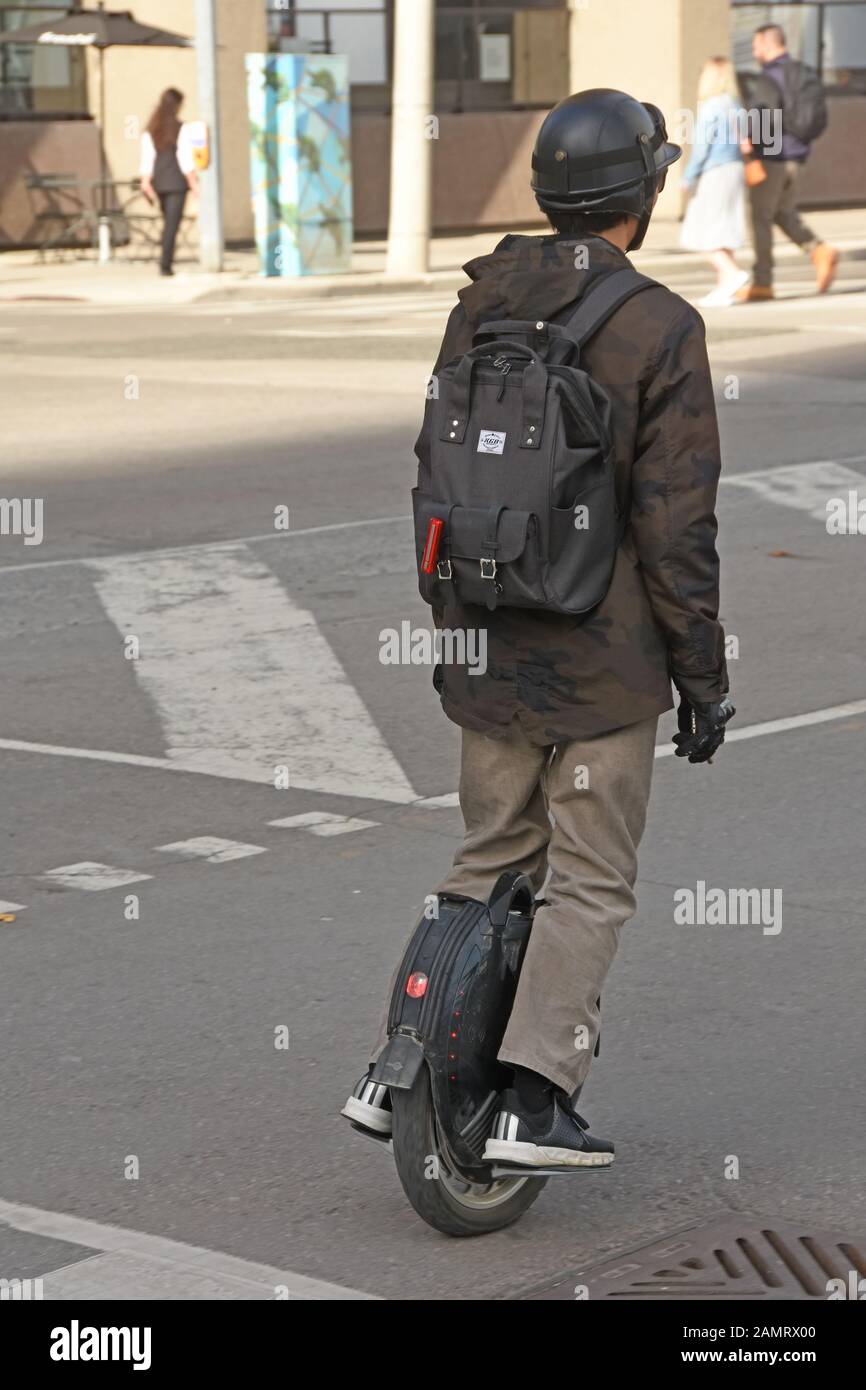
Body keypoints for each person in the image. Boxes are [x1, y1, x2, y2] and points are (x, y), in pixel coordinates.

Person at [343, 89, 735, 1169]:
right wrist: (700, 676)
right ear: (642, 194)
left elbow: (436, 476)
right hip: (601, 663)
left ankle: (398, 1066)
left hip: (485, 636)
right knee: (588, 878)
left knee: (486, 854)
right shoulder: (658, 324)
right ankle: (530, 1097)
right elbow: (675, 528)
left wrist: (448, 620)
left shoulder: (479, 305)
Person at [737, 23, 838, 301]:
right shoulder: (800, 73)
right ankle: (818, 249)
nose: (755, 52)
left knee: (760, 217)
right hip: (798, 157)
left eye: (757, 46)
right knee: (782, 212)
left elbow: (761, 115)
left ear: (769, 46)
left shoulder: (769, 77)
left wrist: (751, 146)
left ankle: (763, 282)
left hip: (773, 159)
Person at [680, 57, 749, 307]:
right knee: (724, 227)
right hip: (735, 169)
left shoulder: (711, 107)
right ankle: (724, 288)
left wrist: (688, 176)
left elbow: (702, 147)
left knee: (704, 228)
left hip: (715, 171)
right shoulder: (736, 105)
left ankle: (731, 274)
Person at [139, 87, 198, 277]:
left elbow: (147, 158)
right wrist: (193, 182)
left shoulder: (151, 129)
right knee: (172, 225)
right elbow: (185, 157)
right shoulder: (181, 128)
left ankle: (165, 262)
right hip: (177, 183)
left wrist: (146, 181)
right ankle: (166, 264)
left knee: (168, 224)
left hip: (160, 183)